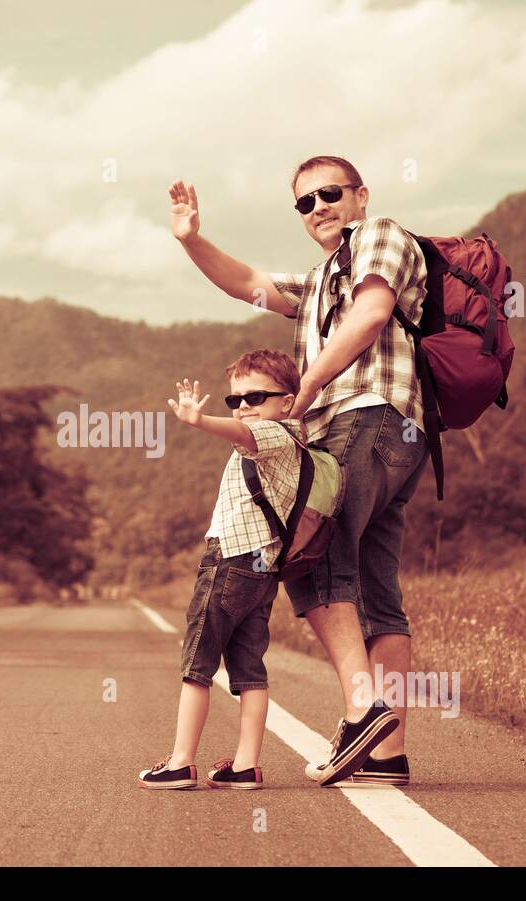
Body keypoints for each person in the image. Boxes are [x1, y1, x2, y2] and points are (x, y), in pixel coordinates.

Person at [168, 155, 428, 787]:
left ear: (360, 196)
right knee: (376, 594)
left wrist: (307, 386)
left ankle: (363, 711)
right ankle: (386, 755)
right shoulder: (317, 282)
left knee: (312, 559)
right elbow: (245, 282)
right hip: (392, 435)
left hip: (362, 419)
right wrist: (192, 239)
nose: (318, 208)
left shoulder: (380, 236)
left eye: (329, 194)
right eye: (304, 203)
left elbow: (369, 316)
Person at [137, 349, 302, 791]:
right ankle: (245, 765)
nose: (245, 406)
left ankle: (180, 761)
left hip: (230, 562)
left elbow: (239, 433)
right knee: (249, 668)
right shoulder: (291, 439)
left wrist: (199, 421)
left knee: (198, 664)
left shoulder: (275, 434)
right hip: (261, 569)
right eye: (236, 400)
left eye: (256, 396)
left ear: (286, 401)